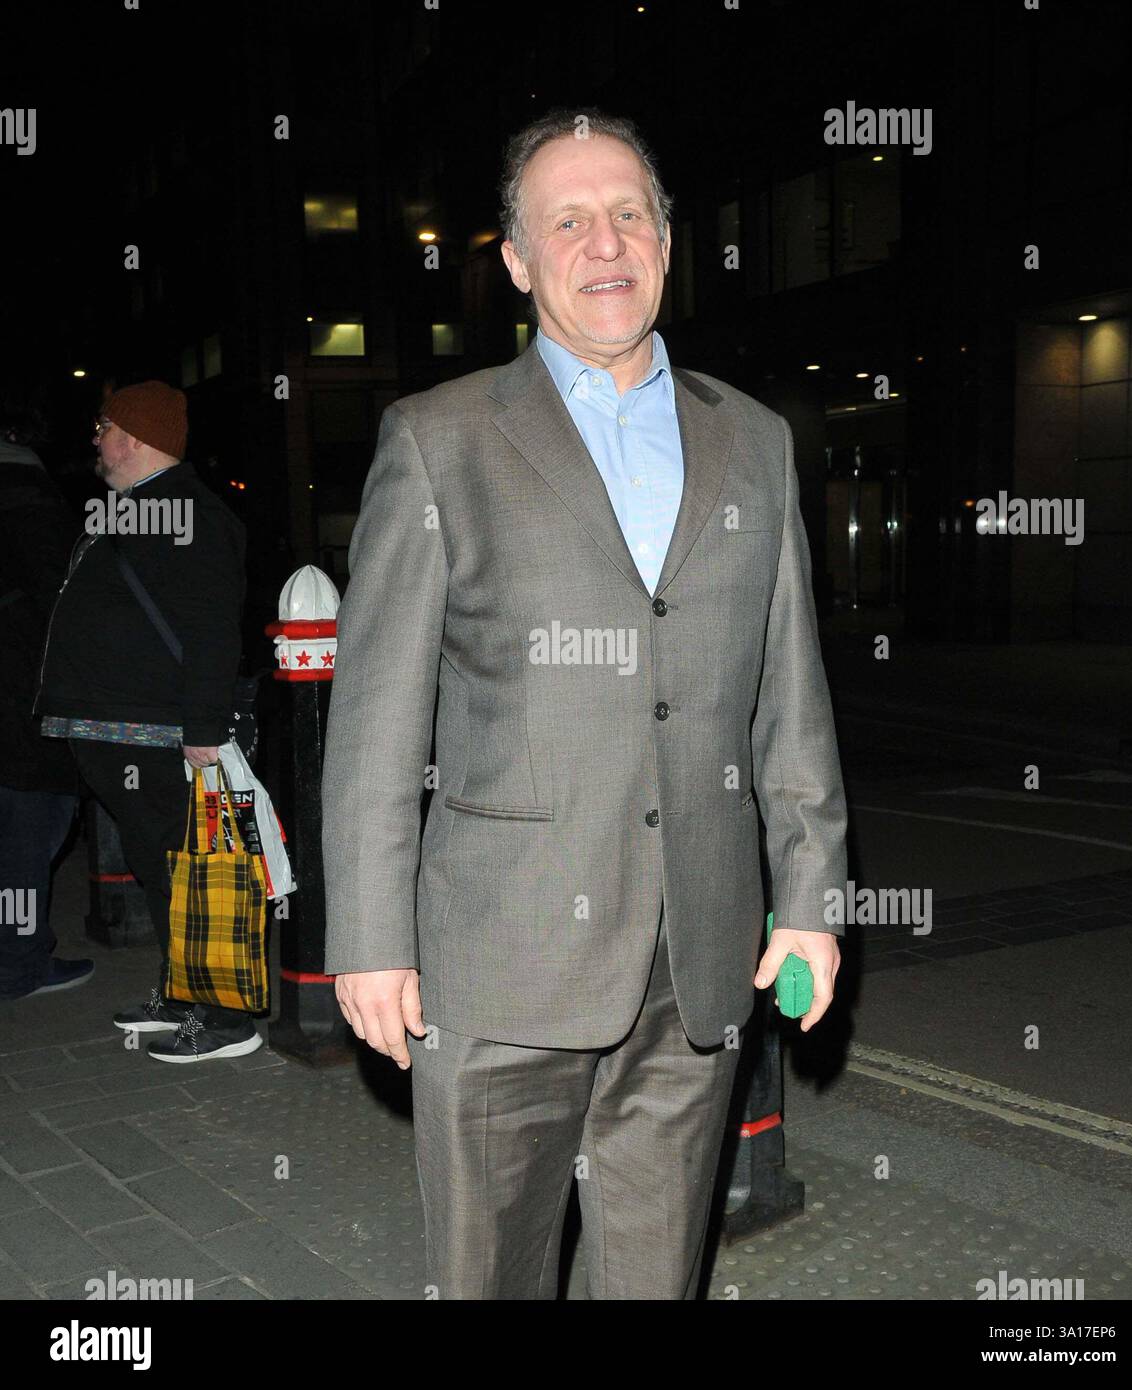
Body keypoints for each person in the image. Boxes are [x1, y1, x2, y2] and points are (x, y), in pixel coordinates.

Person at [321, 108, 848, 1299]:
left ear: (666, 240)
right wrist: (366, 936)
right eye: (567, 221)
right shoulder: (439, 440)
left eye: (627, 214)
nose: (602, 242)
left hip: (694, 963)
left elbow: (788, 696)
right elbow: (375, 719)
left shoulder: (753, 442)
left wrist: (810, 898)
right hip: (496, 967)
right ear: (515, 261)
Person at [34, 380, 258, 1061]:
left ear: (134, 436)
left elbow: (213, 628)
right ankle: (186, 992)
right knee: (159, 864)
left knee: (200, 868)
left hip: (164, 736)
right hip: (124, 731)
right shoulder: (136, 510)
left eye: (104, 427)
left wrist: (202, 728)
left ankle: (225, 1021)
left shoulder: (188, 512)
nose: (95, 439)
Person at [0, 402, 92, 999]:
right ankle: (19, 962)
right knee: (29, 837)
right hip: (22, 705)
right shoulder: (27, 499)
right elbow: (66, 601)